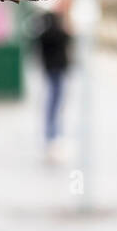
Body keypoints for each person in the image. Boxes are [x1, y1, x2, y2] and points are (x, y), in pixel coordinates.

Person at [35, 10, 72, 159]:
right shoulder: (52, 23)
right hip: (55, 69)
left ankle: (53, 135)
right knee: (54, 103)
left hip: (53, 69)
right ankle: (52, 136)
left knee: (55, 103)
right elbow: (64, 38)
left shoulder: (48, 22)